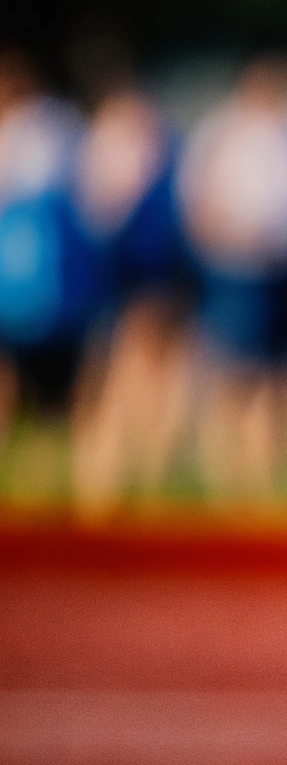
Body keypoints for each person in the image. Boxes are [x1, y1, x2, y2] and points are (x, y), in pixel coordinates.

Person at [178, 54, 287, 501]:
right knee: (237, 376)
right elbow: (199, 209)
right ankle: (228, 476)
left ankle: (279, 474)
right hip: (239, 270)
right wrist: (242, 238)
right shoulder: (224, 134)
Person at [71, 74, 198, 511]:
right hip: (126, 287)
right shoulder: (122, 157)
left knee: (145, 387)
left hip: (146, 286)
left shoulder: (154, 156)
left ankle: (134, 484)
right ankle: (108, 487)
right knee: (119, 388)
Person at [0, 50, 103, 489]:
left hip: (26, 290)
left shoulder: (27, 134)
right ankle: (74, 489)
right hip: (60, 294)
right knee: (66, 400)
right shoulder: (65, 129)